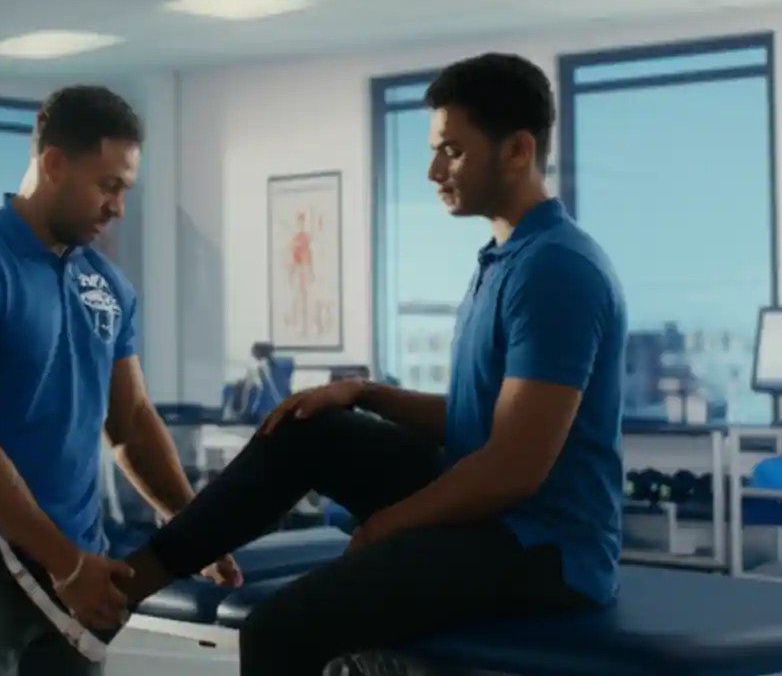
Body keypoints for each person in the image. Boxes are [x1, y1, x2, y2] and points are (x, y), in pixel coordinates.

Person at [111, 52, 629, 674]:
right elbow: (480, 421)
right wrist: (362, 392)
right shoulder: (505, 258)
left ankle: (123, 586)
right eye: (436, 149)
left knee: (277, 630)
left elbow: (514, 466)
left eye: (453, 151)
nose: (434, 169)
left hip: (544, 547)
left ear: (518, 150)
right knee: (310, 429)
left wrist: (390, 525)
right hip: (499, 514)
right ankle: (130, 580)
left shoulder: (557, 269)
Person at [0, 85, 241, 676]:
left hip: (78, 551)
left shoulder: (106, 286)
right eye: (108, 185)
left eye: (125, 189)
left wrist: (193, 525)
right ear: (53, 163)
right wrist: (67, 564)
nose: (118, 207)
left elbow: (130, 421)